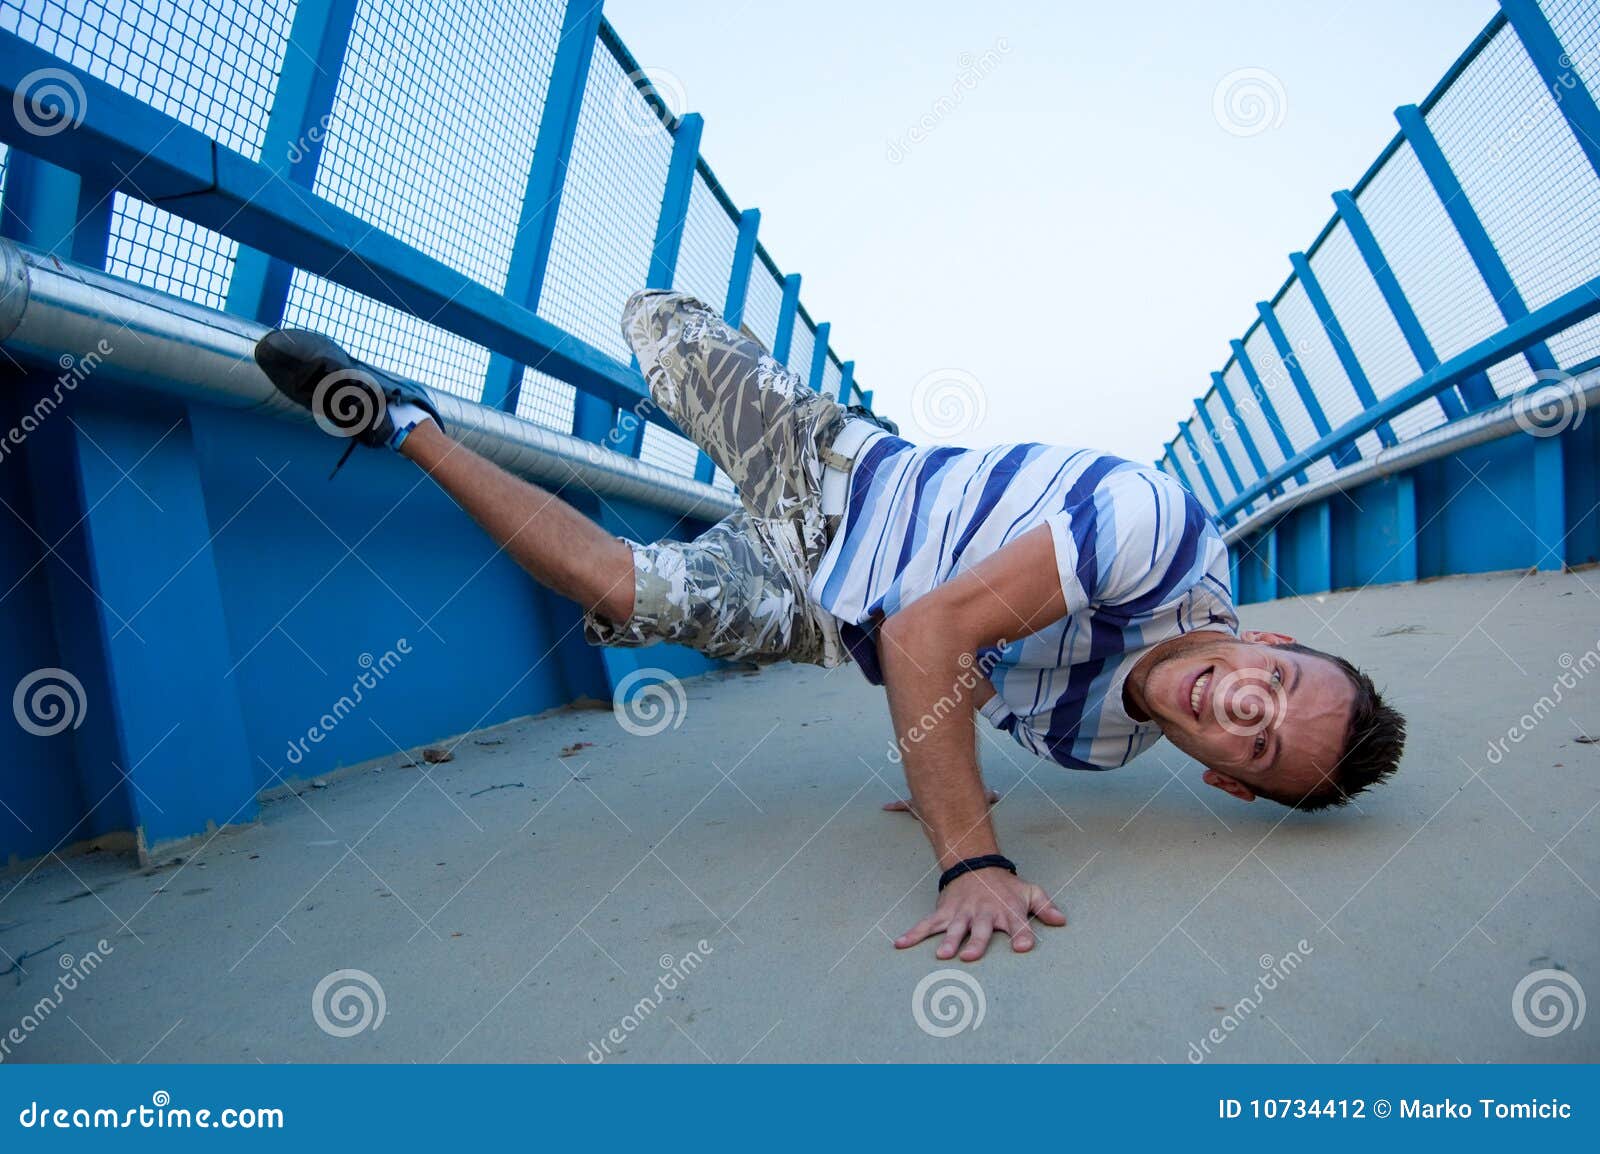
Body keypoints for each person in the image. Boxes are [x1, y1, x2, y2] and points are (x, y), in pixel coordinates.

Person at [255, 289, 1405, 964]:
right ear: (1276, 644)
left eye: (1258, 742)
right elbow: (929, 639)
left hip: (824, 613)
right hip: (840, 481)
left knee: (622, 593)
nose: (1246, 705)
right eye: (1278, 685)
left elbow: (950, 672)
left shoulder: (1099, 746)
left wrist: (941, 770)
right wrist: (969, 851)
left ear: (1226, 781)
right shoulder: (1158, 531)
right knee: (657, 325)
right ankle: (671, 362)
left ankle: (399, 419)